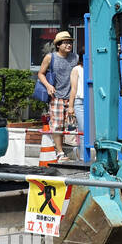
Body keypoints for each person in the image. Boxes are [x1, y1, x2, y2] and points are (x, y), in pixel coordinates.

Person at [37, 30, 77, 159]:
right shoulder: (50, 57)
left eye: (70, 42)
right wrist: (48, 86)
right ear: (58, 45)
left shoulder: (75, 58)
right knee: (57, 125)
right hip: (57, 97)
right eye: (65, 43)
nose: (68, 45)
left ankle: (75, 152)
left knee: (73, 126)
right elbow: (40, 73)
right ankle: (60, 152)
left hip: (72, 97)